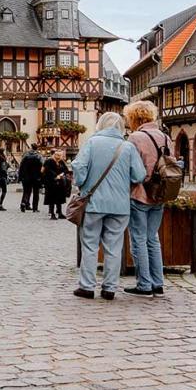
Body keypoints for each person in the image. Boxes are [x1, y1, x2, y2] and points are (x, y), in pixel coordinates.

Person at [71, 112, 147, 301]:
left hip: (94, 203)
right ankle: (110, 288)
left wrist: (82, 184)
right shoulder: (127, 147)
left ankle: (87, 287)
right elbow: (139, 175)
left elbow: (79, 167)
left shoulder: (91, 143)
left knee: (89, 245)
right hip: (120, 206)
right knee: (114, 247)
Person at [125, 101, 169, 297]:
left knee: (139, 240)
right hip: (160, 194)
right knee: (153, 239)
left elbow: (133, 170)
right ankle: (158, 283)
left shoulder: (135, 138)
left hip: (140, 193)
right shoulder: (165, 137)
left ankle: (144, 285)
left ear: (134, 117)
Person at [42, 149, 72, 220]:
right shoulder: (49, 161)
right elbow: (47, 170)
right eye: (57, 155)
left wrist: (62, 174)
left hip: (60, 182)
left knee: (60, 198)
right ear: (54, 155)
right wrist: (55, 176)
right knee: (52, 199)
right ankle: (52, 214)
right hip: (51, 183)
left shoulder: (61, 162)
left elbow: (66, 169)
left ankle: (60, 213)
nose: (59, 156)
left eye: (60, 155)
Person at [18, 148, 43, 213]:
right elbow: (41, 170)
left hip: (26, 178)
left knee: (26, 192)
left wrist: (20, 177)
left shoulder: (25, 159)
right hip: (36, 178)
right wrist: (41, 178)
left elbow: (21, 168)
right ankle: (35, 208)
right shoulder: (38, 159)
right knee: (36, 193)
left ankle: (24, 203)